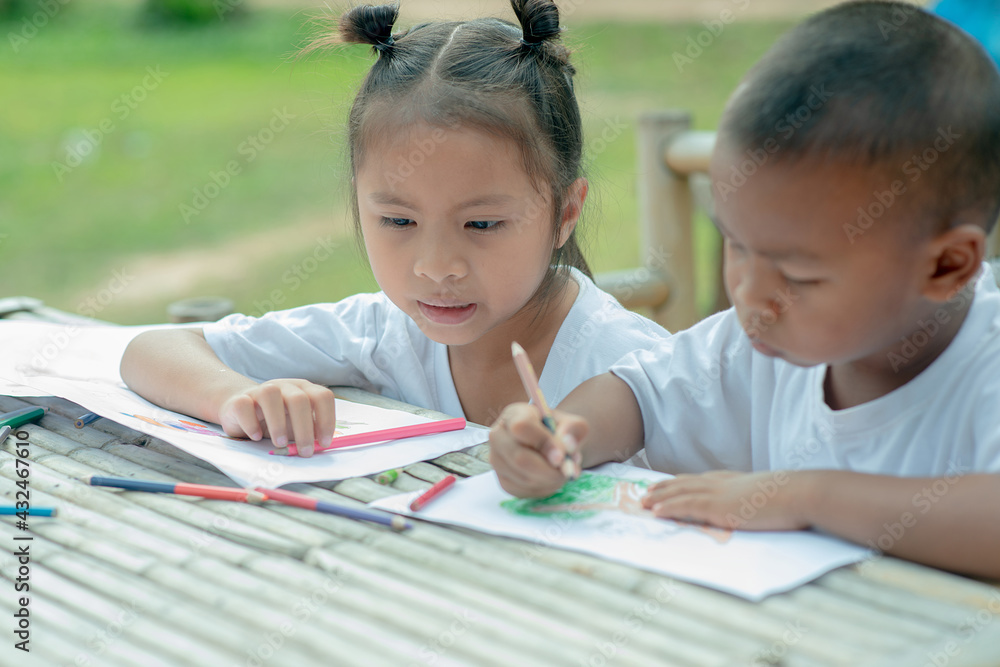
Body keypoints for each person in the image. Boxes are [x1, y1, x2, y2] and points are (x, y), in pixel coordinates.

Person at [489, 1, 1000, 578]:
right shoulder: (761, 344)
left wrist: (805, 497)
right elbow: (640, 398)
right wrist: (562, 437)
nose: (749, 296)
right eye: (734, 243)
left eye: (799, 275)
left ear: (947, 265)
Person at [120, 0, 669, 457]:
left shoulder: (634, 364)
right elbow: (153, 350)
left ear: (565, 214)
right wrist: (233, 396)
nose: (436, 266)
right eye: (397, 220)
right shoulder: (384, 334)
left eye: (481, 223)